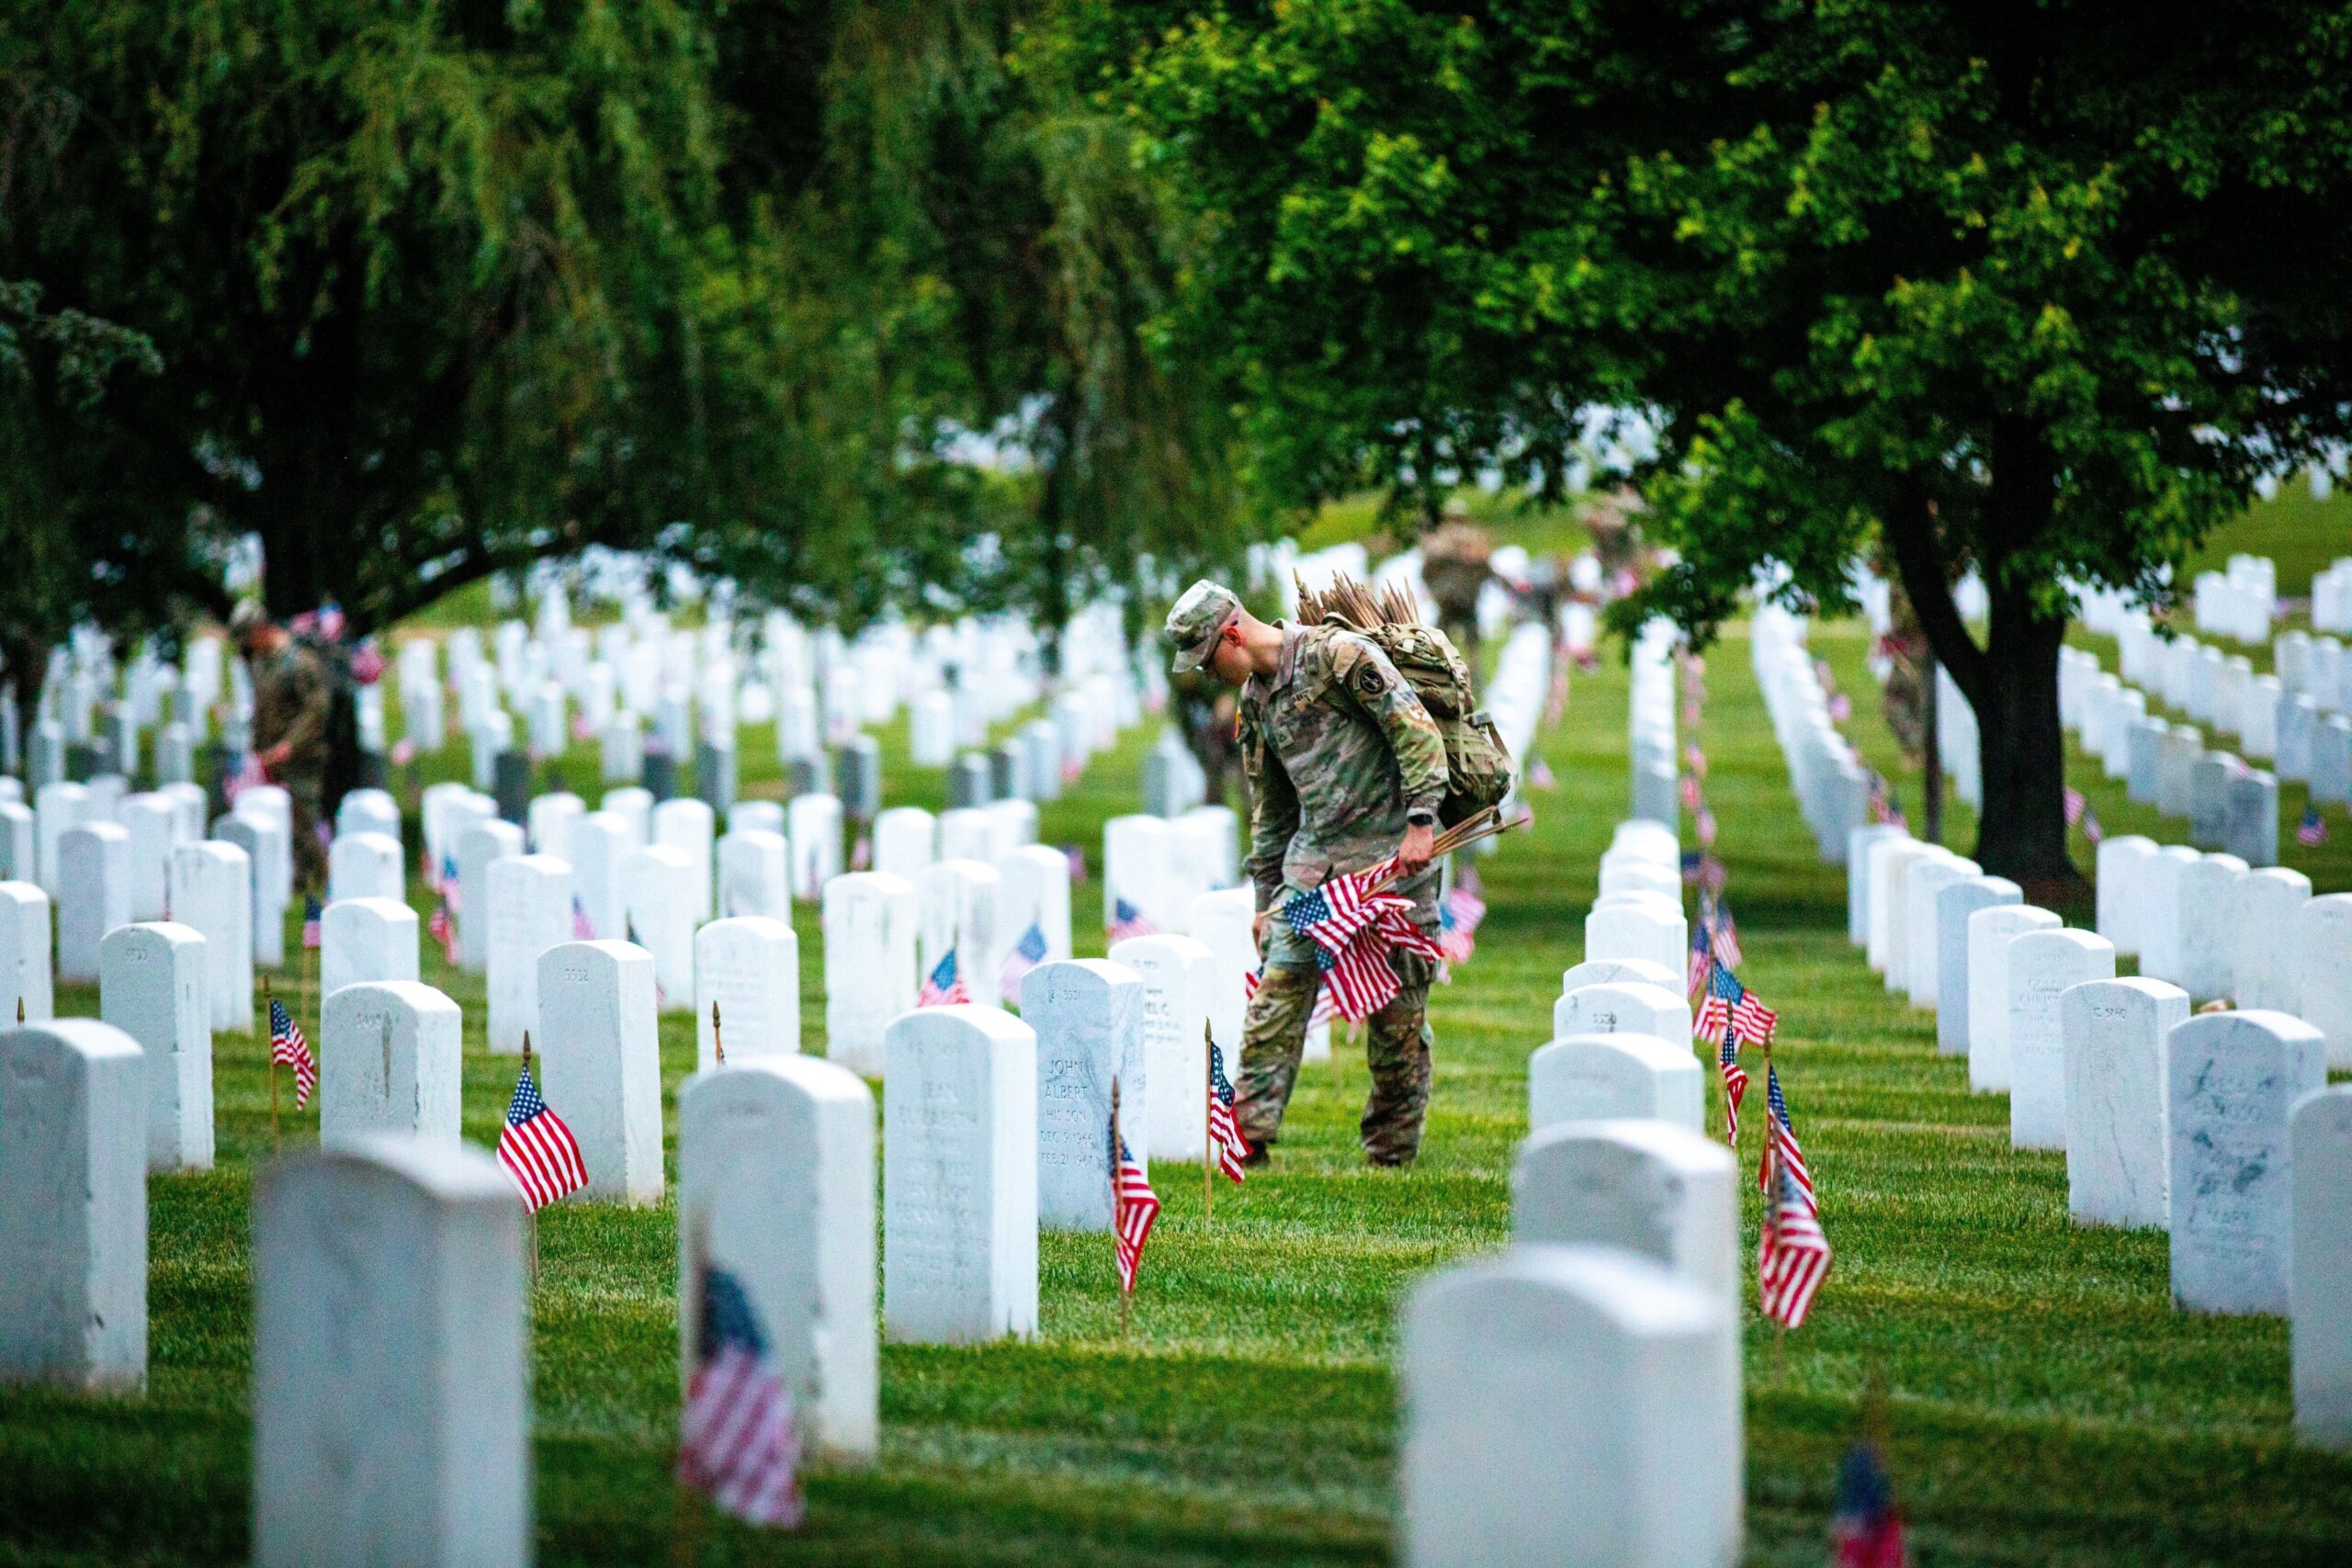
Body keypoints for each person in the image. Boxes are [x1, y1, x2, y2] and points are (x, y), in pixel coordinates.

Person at [1165, 580, 1450, 1167]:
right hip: (1315, 867)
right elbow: (1271, 809)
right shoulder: (1256, 700)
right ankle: (1249, 1138)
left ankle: (1391, 1152)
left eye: (1207, 656)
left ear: (1234, 634)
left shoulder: (1337, 658)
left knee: (1397, 1015)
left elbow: (1415, 733)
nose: (1205, 672)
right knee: (1277, 995)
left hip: (1392, 860)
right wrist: (1266, 899)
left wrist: (1421, 822)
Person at [231, 600, 334, 894]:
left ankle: (327, 879)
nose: (246, 645)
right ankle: (297, 882)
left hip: (302, 756)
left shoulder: (300, 661)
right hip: (269, 754)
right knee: (279, 821)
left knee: (303, 820)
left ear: (260, 629)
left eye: (247, 636)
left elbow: (316, 711)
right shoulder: (261, 662)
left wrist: (290, 745)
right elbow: (263, 709)